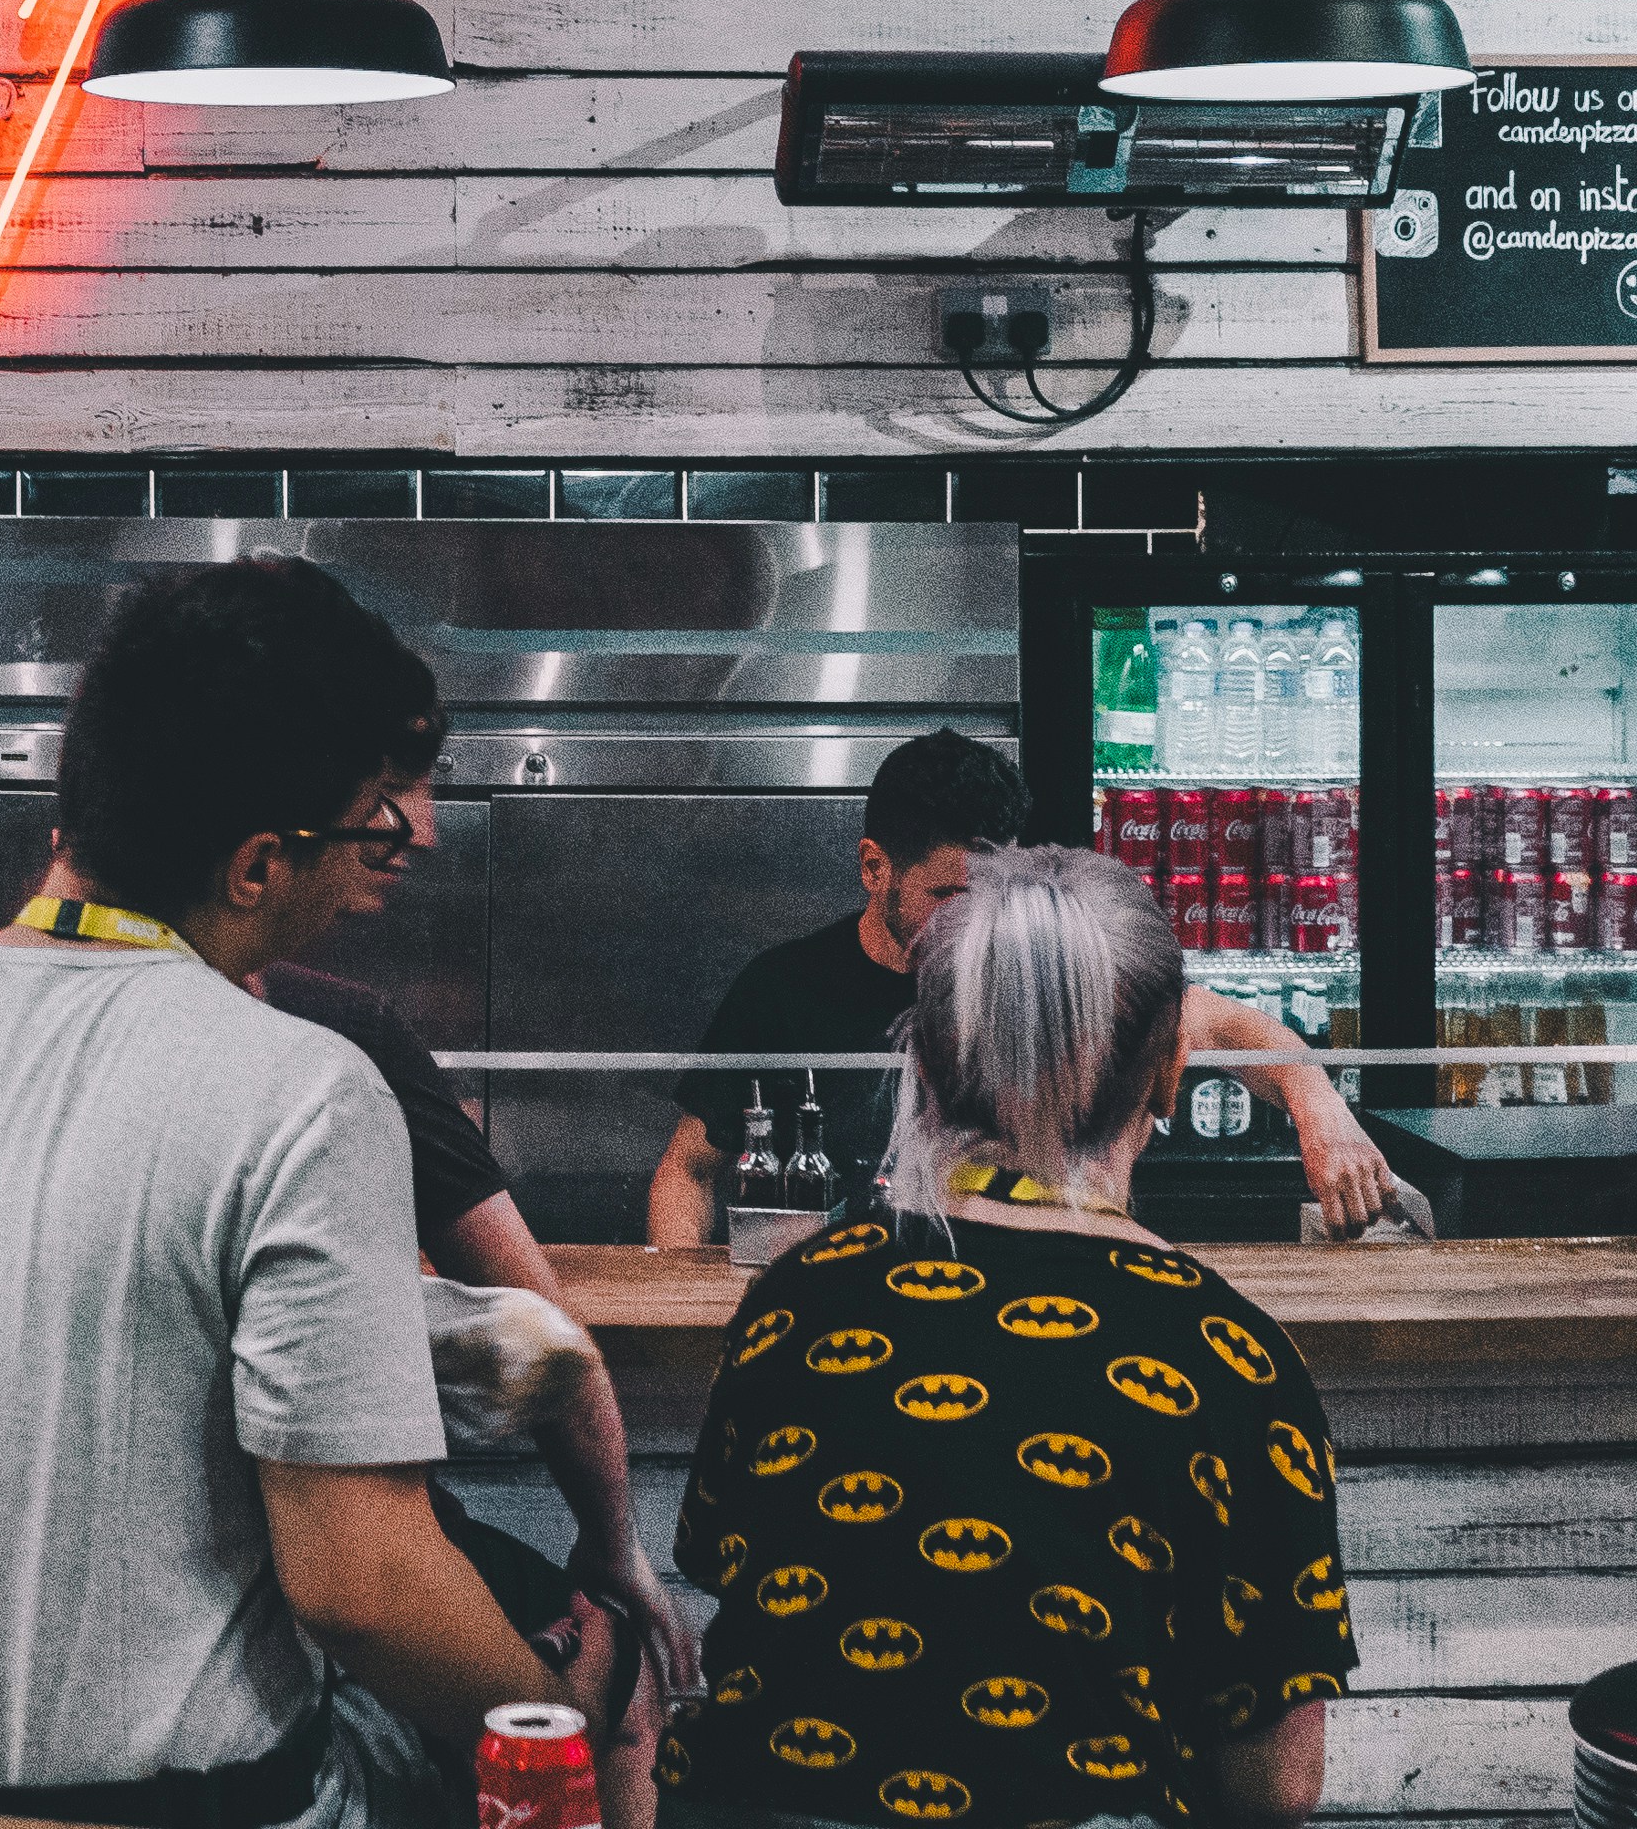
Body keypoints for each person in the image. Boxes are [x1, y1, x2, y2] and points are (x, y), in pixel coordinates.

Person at [0, 556, 610, 1828]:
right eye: (374, 816)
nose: (404, 838)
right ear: (255, 866)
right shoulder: (305, 1091)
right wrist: (563, 1717)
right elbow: (363, 1586)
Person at [661, 846, 1350, 1829]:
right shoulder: (1228, 1355)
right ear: (1169, 1071)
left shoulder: (796, 1296)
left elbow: (718, 1561)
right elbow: (1275, 1786)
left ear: (930, 1061)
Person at [262, 940, 704, 1824]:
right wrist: (615, 1563)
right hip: (328, 1581)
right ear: (260, 859)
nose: (415, 829)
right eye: (390, 799)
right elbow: (547, 1335)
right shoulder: (333, 1038)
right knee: (619, 1666)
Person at [643, 731, 1400, 1242]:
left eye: (991, 889)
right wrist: (689, 1309)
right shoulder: (783, 989)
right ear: (876, 869)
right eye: (947, 894)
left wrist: (1321, 1108)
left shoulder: (1038, 965)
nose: (971, 921)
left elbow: (1231, 1027)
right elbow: (689, 1170)